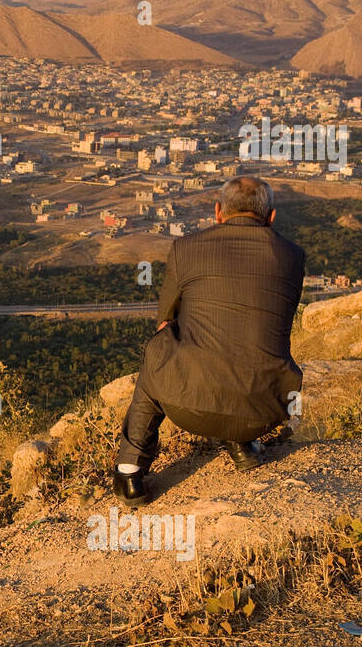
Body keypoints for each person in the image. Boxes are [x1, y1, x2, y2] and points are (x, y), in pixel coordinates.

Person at [113, 176, 305, 506]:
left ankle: (130, 472)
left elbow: (165, 321)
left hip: (188, 406)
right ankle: (241, 444)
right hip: (264, 412)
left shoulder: (186, 248)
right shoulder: (292, 256)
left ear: (218, 212)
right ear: (271, 217)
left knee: (159, 347)